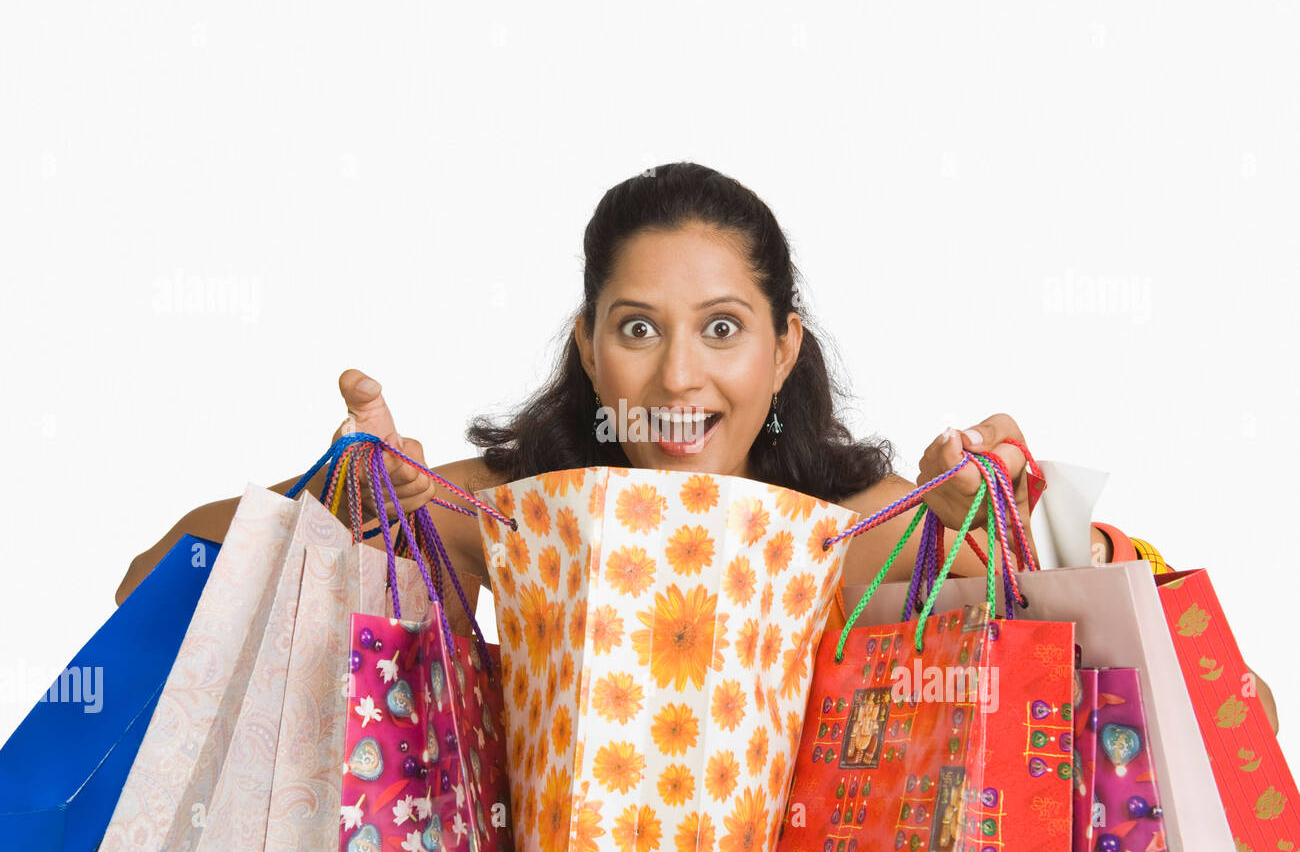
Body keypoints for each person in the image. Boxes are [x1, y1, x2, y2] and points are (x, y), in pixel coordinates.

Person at [114, 161, 1277, 732]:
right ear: (587, 347)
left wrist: (1021, 531)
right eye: (637, 329)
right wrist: (326, 494)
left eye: (721, 329)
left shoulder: (864, 533)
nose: (678, 375)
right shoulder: (505, 511)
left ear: (781, 350)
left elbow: (1236, 708)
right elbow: (146, 587)